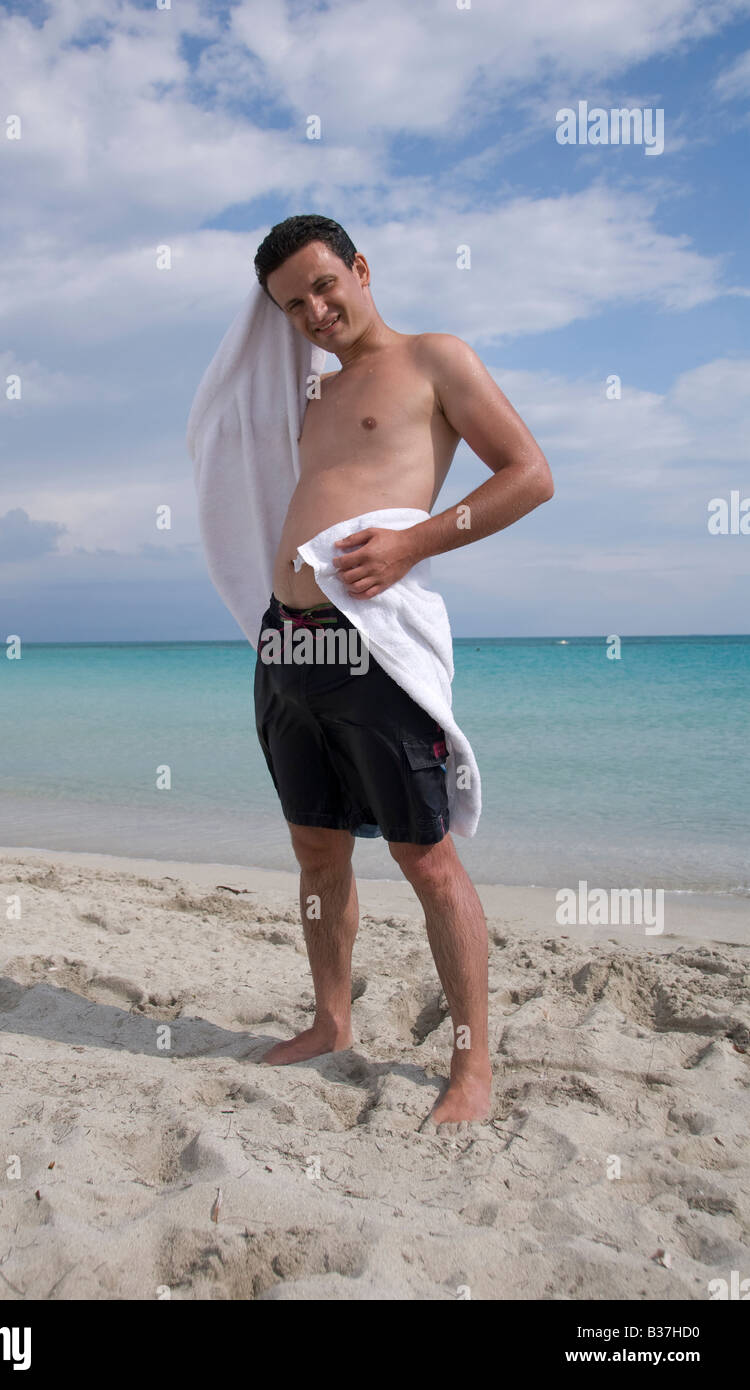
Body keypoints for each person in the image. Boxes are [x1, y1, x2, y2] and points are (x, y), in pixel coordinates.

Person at [251, 214, 553, 1126]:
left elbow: (529, 473)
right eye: (293, 303)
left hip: (373, 642)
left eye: (324, 284)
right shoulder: (304, 395)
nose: (314, 308)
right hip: (287, 642)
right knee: (315, 849)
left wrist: (415, 542)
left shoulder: (434, 359)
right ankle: (331, 1020)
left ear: (361, 268)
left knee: (427, 859)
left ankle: (471, 1067)